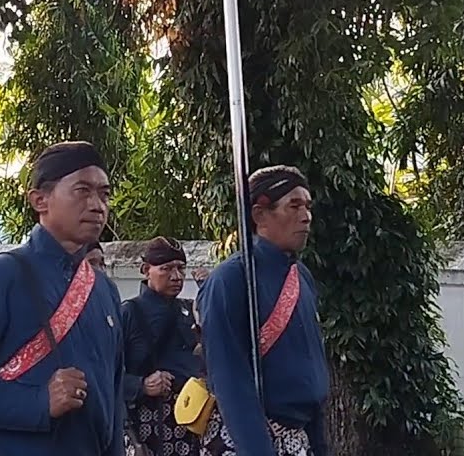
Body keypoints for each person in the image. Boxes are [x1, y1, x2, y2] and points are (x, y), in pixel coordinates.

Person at [0, 141, 126, 456]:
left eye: (104, 194)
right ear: (40, 200)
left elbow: (113, 394)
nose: (98, 205)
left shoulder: (104, 289)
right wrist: (38, 402)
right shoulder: (0, 278)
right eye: (83, 191)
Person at [196, 165, 330, 456]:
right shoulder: (231, 279)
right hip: (250, 442)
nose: (306, 216)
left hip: (298, 438)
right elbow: (229, 379)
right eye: (293, 206)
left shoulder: (301, 277)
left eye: (307, 206)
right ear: (259, 215)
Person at [121, 237, 202, 455]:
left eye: (181, 269)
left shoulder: (191, 310)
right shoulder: (128, 314)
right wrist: (142, 385)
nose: (176, 277)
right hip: (146, 429)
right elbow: (105, 375)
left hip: (192, 423)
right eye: (166, 269)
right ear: (146, 270)